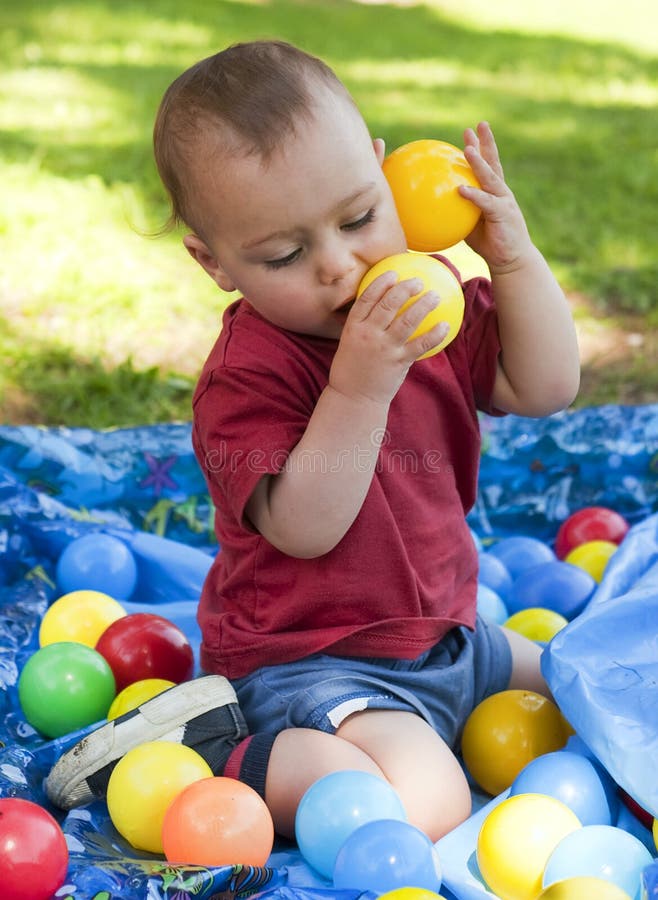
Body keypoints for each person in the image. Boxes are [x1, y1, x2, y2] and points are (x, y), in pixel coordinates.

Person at [46, 39, 580, 843]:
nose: (338, 266)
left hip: (446, 637)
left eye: (360, 217)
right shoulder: (247, 376)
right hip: (310, 663)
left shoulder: (422, 306)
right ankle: (222, 743)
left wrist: (513, 258)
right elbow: (305, 526)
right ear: (214, 261)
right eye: (287, 254)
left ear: (380, 168)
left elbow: (546, 386)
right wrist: (361, 384)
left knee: (596, 685)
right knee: (424, 805)